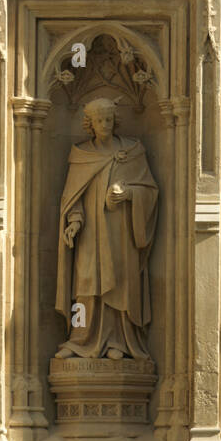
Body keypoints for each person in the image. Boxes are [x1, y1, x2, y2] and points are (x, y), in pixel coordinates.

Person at [55, 97, 159, 361]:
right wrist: (74, 221)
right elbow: (73, 196)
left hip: (122, 234)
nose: (105, 124)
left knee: (122, 284)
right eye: (100, 120)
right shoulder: (81, 155)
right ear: (89, 123)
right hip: (90, 234)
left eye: (109, 120)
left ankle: (121, 341)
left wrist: (130, 194)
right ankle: (80, 339)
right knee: (86, 285)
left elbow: (150, 190)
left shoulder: (133, 151)